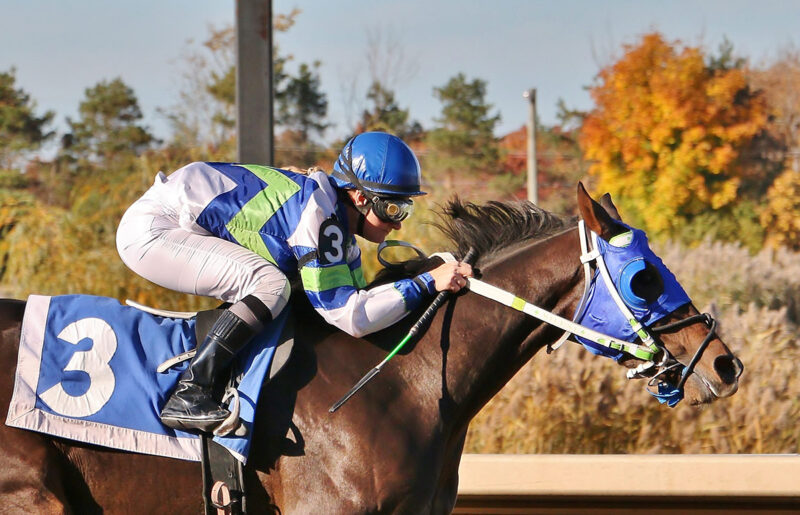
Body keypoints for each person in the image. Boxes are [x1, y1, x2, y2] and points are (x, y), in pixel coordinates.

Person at [116, 131, 473, 433]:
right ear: (361, 198)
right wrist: (426, 283)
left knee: (278, 286)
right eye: (393, 210)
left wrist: (424, 272)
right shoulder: (319, 216)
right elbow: (352, 317)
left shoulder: (337, 225)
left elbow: (359, 302)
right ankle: (191, 392)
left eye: (405, 210)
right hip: (154, 230)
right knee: (270, 284)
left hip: (179, 217)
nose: (398, 224)